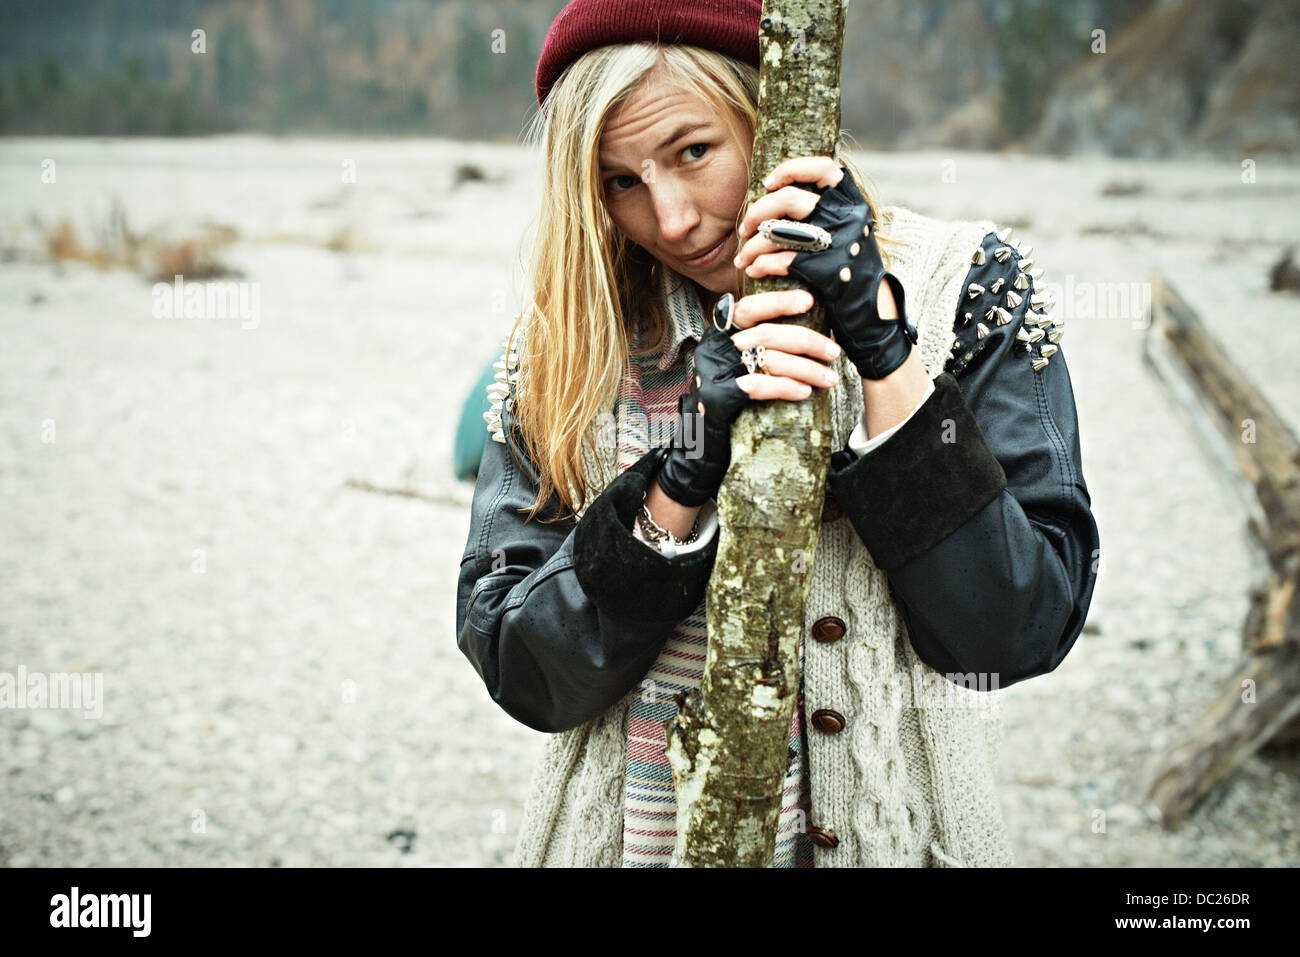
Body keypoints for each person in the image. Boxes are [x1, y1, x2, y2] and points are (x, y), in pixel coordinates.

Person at [456, 0, 1100, 868]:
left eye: (693, 152)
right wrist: (680, 476)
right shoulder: (566, 341)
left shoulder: (968, 284)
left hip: (906, 839)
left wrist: (882, 348)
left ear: (772, 114)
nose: (674, 218)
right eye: (621, 182)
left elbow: (1016, 629)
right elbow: (526, 670)